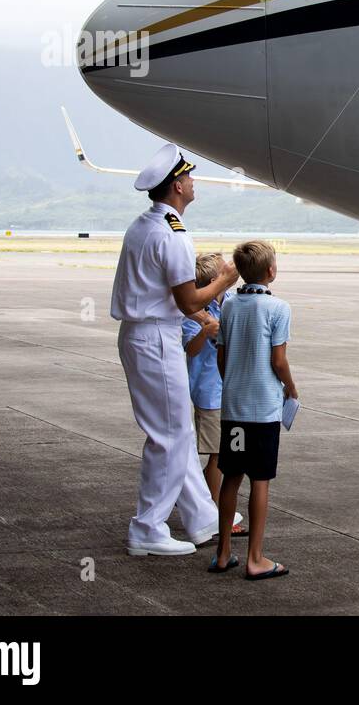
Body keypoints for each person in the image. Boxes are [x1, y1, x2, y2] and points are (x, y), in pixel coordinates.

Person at [111, 143, 242, 557]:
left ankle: (203, 519)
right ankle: (147, 528)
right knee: (168, 436)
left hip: (143, 335)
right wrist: (225, 279)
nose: (192, 182)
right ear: (178, 187)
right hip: (155, 338)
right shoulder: (173, 235)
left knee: (177, 432)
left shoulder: (144, 225)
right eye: (188, 177)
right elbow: (189, 301)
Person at [211, 240, 297, 580]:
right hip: (262, 411)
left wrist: (233, 383)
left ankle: (222, 553)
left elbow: (222, 356)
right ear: (271, 271)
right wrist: (290, 387)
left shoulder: (229, 305)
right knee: (260, 480)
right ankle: (256, 558)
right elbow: (278, 360)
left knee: (231, 476)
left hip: (234, 408)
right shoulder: (279, 309)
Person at [181, 253, 245, 540]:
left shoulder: (230, 302)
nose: (230, 272)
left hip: (227, 389)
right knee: (219, 457)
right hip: (209, 392)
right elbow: (191, 350)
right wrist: (205, 332)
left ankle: (215, 509)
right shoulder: (195, 311)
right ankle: (215, 512)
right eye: (224, 271)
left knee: (227, 454)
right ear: (212, 282)